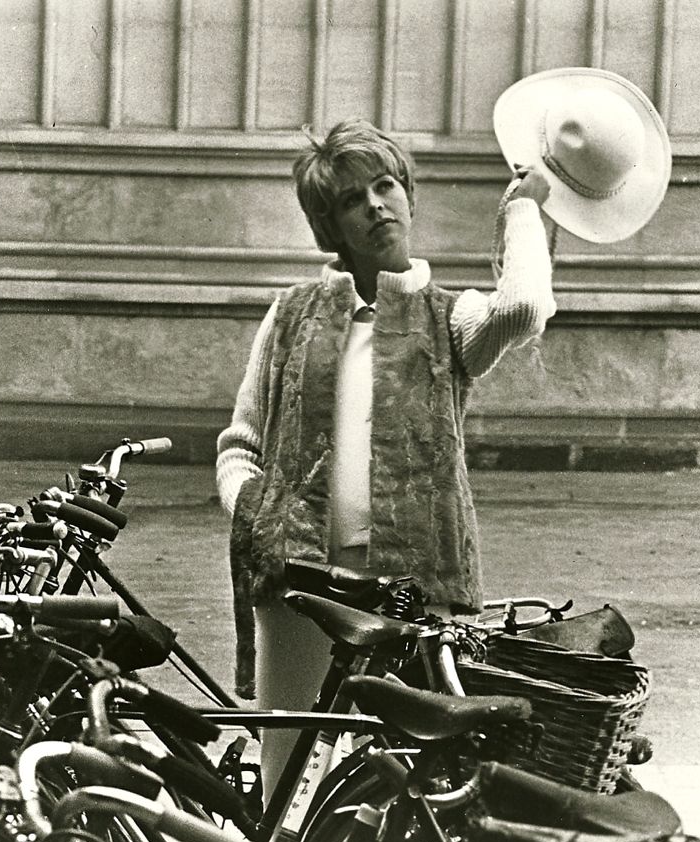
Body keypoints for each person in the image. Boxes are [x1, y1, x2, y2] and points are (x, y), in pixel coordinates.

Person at [216, 118, 555, 795]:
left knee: (405, 782)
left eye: (386, 185)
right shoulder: (291, 314)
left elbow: (522, 308)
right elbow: (240, 444)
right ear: (330, 225)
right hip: (301, 584)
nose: (375, 205)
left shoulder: (449, 320)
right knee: (289, 775)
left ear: (406, 195)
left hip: (413, 589)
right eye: (351, 199)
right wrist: (258, 512)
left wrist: (522, 209)